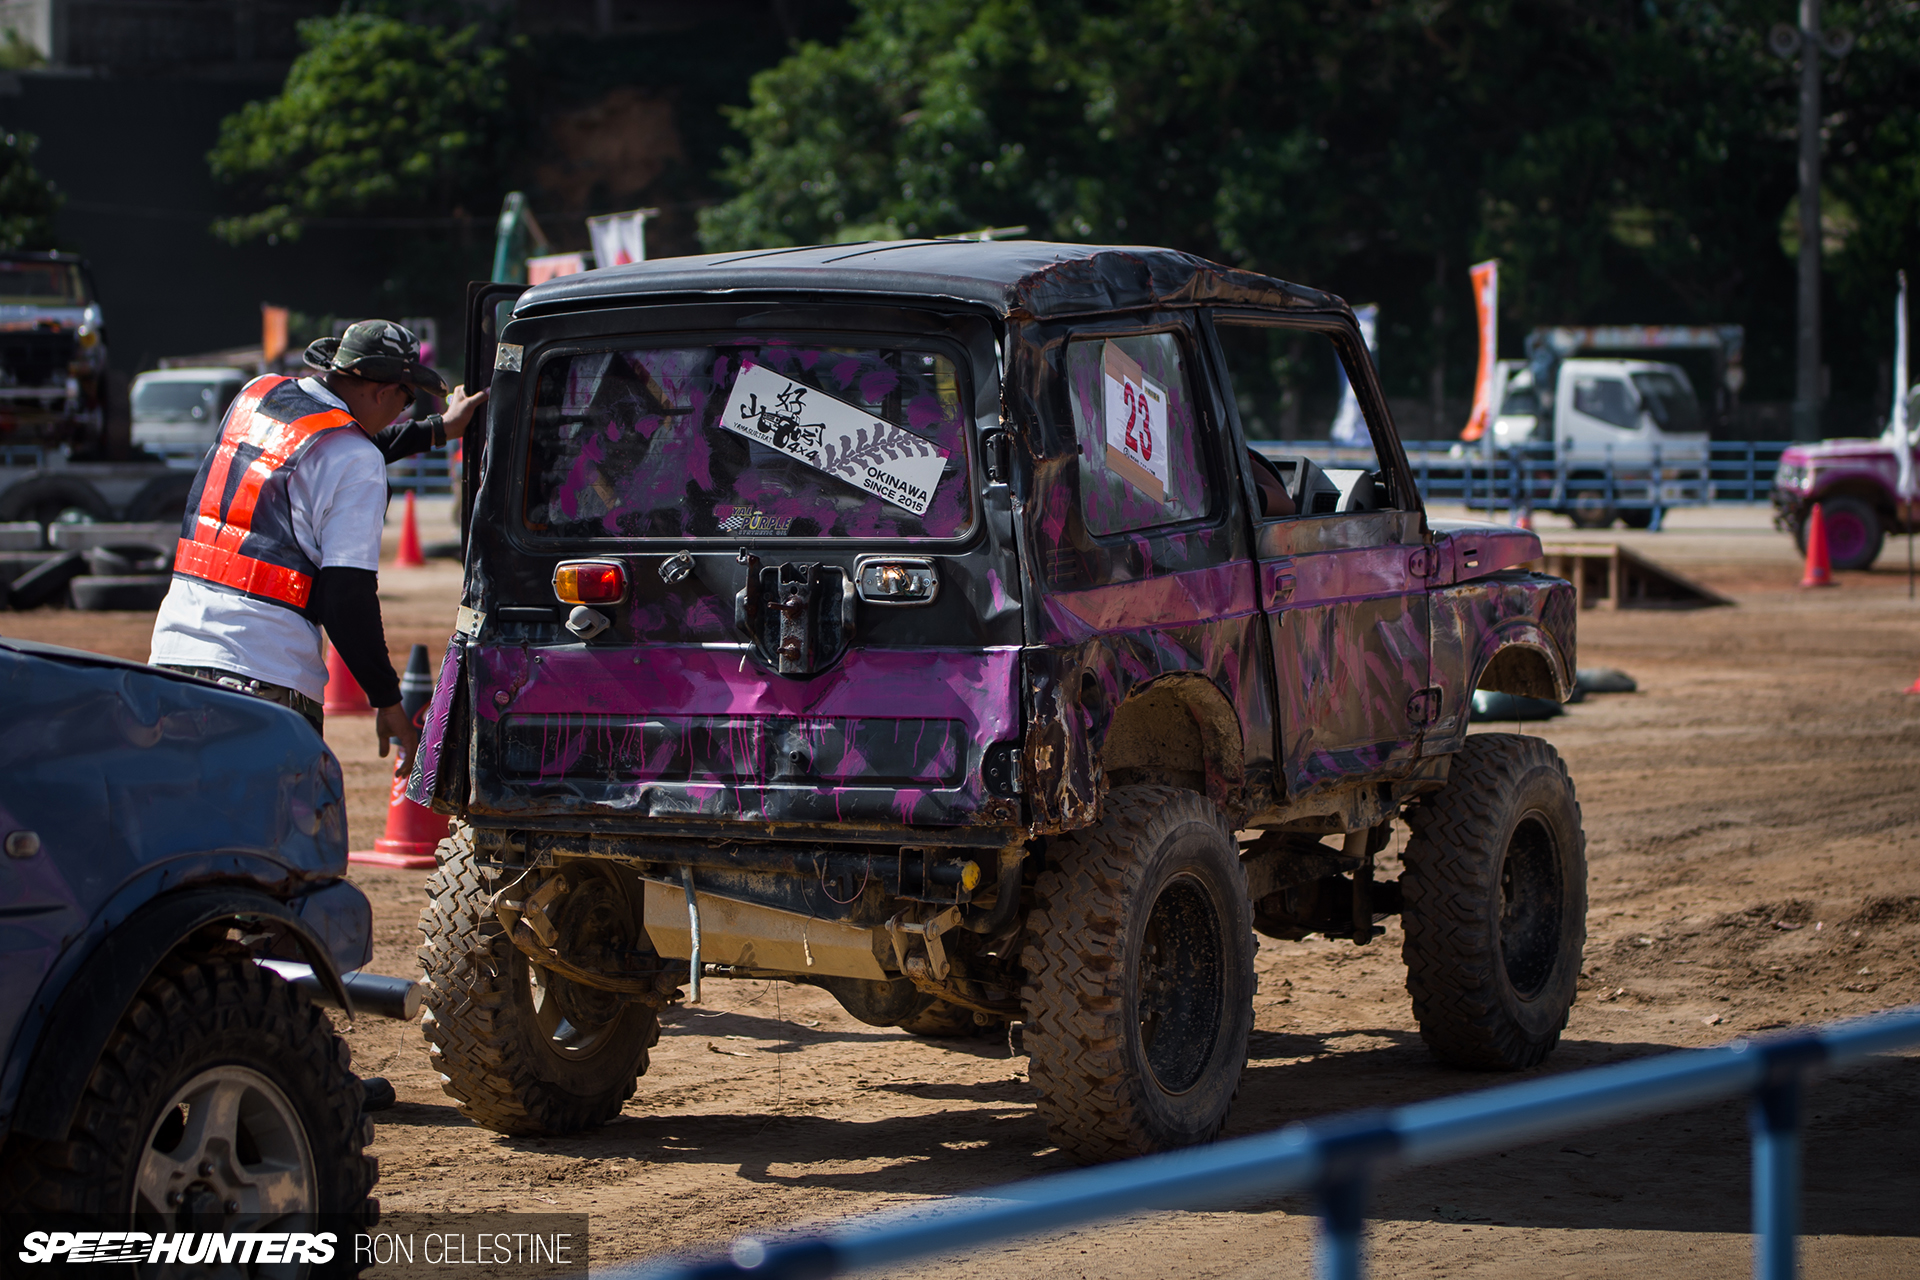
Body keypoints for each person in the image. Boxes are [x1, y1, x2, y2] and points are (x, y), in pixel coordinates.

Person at [150, 319, 487, 772]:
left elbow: (331, 447)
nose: (404, 412)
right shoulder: (356, 461)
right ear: (383, 390)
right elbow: (346, 598)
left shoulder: (258, 394)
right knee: (276, 836)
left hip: (173, 660)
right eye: (407, 399)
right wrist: (388, 702)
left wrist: (437, 429)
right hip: (265, 676)